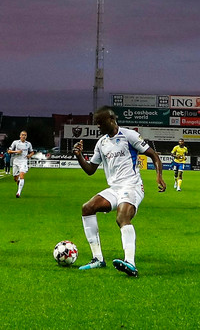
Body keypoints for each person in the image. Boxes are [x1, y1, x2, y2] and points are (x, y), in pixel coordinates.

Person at [73, 106, 166, 278]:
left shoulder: (128, 135)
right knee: (87, 208)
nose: (98, 127)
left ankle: (130, 263)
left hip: (132, 186)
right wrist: (79, 156)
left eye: (100, 123)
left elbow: (154, 155)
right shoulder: (101, 143)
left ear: (111, 120)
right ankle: (97, 259)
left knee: (122, 217)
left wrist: (159, 176)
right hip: (115, 189)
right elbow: (90, 170)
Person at [8, 131, 33, 198]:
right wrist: (16, 151)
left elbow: (32, 152)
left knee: (22, 175)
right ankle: (18, 180)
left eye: (25, 135)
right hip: (16, 161)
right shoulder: (15, 142)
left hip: (23, 161)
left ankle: (18, 192)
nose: (23, 136)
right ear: (20, 136)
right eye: (22, 135)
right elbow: (9, 151)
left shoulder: (28, 144)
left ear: (26, 136)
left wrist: (30, 155)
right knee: (15, 178)